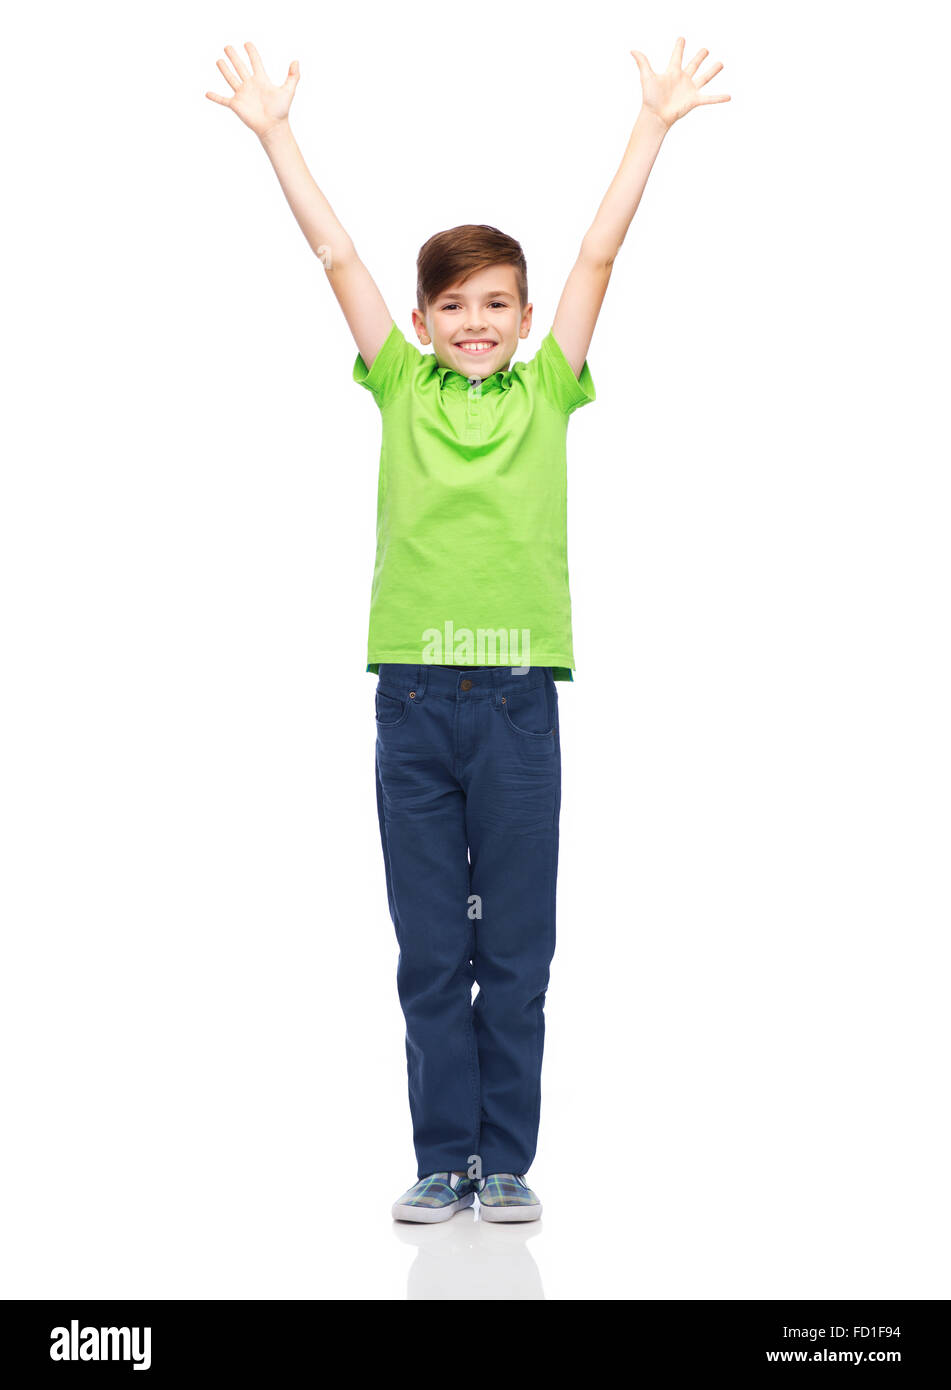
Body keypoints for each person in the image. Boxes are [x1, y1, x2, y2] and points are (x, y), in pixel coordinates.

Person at [206, 36, 730, 1224]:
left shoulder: (549, 388)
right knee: (434, 953)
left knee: (520, 954)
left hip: (515, 702)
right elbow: (333, 249)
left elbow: (602, 250)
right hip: (412, 702)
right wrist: (275, 132)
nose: (478, 323)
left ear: (527, 315)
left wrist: (651, 123)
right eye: (457, 307)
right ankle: (446, 1158)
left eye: (499, 305)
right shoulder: (398, 384)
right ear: (427, 318)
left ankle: (508, 1164)